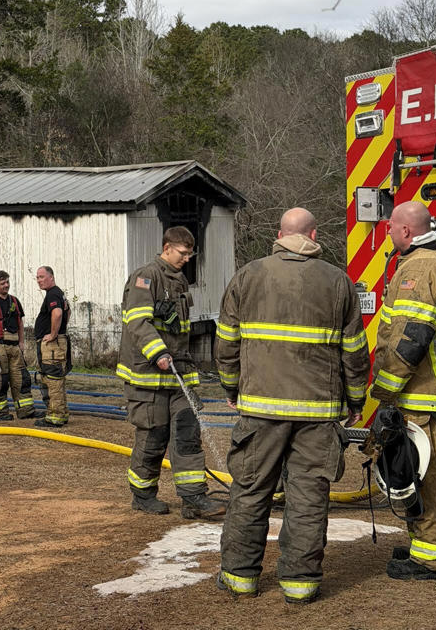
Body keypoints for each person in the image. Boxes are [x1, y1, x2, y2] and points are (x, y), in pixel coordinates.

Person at [215, 208, 370, 603]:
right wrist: (356, 399)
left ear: (279, 234)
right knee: (308, 496)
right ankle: (300, 584)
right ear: (314, 234)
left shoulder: (248, 275)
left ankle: (240, 577)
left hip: (260, 411)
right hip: (317, 414)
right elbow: (354, 351)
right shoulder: (338, 282)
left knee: (250, 490)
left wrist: (232, 390)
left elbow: (226, 343)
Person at [370, 201, 436, 581]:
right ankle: (423, 546)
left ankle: (435, 560)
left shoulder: (420, 268)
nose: (388, 234)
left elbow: (411, 338)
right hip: (434, 392)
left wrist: (385, 392)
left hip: (424, 394)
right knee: (416, 471)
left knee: (429, 475)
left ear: (407, 231)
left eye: (391, 228)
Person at [116, 225, 226, 521]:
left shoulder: (178, 281)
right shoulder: (146, 277)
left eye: (190, 253)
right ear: (167, 248)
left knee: (186, 433)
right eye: (183, 252)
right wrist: (158, 352)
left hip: (179, 373)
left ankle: (193, 498)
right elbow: (138, 322)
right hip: (148, 376)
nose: (187, 258)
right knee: (154, 435)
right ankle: (142, 494)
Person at [0, 270, 35, 421]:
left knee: (21, 379)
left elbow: (20, 324)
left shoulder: (15, 301)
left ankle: (26, 411)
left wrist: (22, 342)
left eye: (7, 282)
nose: (6, 285)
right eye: (3, 283)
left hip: (15, 347)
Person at [34, 265, 71, 428]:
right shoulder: (58, 293)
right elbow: (67, 311)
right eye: (37, 278)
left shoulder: (53, 294)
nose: (39, 280)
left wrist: (54, 334)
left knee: (52, 380)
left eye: (42, 277)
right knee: (55, 379)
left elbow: (58, 313)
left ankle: (55, 416)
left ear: (51, 277)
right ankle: (60, 412)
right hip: (56, 344)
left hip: (52, 346)